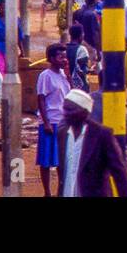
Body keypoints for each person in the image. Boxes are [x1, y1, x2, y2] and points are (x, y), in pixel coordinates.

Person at [56, 88, 127, 197]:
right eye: (65, 109)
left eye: (71, 110)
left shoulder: (101, 135)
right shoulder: (62, 134)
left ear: (84, 112)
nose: (66, 114)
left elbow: (119, 173)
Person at [36, 43, 71, 196]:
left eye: (65, 56)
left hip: (64, 122)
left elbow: (73, 92)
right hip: (51, 121)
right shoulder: (45, 76)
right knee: (46, 159)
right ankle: (47, 191)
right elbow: (41, 99)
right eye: (60, 56)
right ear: (51, 58)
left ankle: (60, 191)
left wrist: (69, 74)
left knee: (62, 159)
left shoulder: (64, 75)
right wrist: (46, 122)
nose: (63, 59)